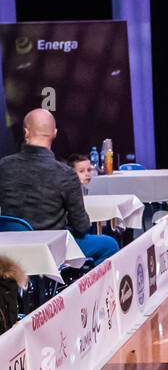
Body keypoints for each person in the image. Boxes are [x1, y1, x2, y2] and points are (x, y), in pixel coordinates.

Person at [0, 110, 118, 267]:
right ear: (54, 133)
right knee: (109, 245)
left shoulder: (3, 167)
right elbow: (81, 227)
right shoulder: (66, 174)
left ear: (26, 132)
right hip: (54, 251)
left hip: (9, 250)